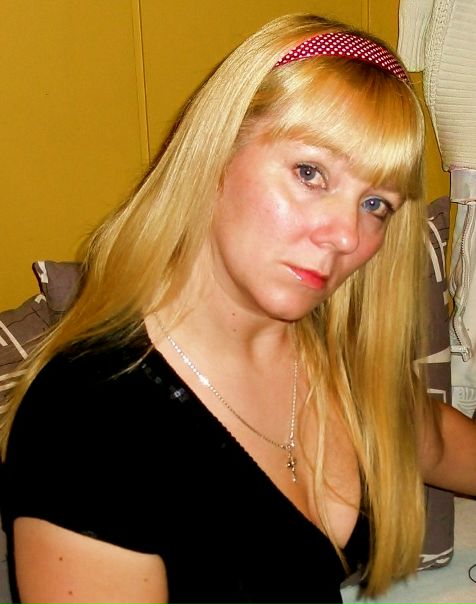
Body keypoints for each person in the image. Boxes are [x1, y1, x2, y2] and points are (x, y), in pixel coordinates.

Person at [0, 12, 475, 604]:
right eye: (310, 173)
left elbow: (434, 439)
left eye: (375, 203)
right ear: (216, 151)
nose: (346, 235)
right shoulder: (89, 425)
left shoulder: (332, 353)